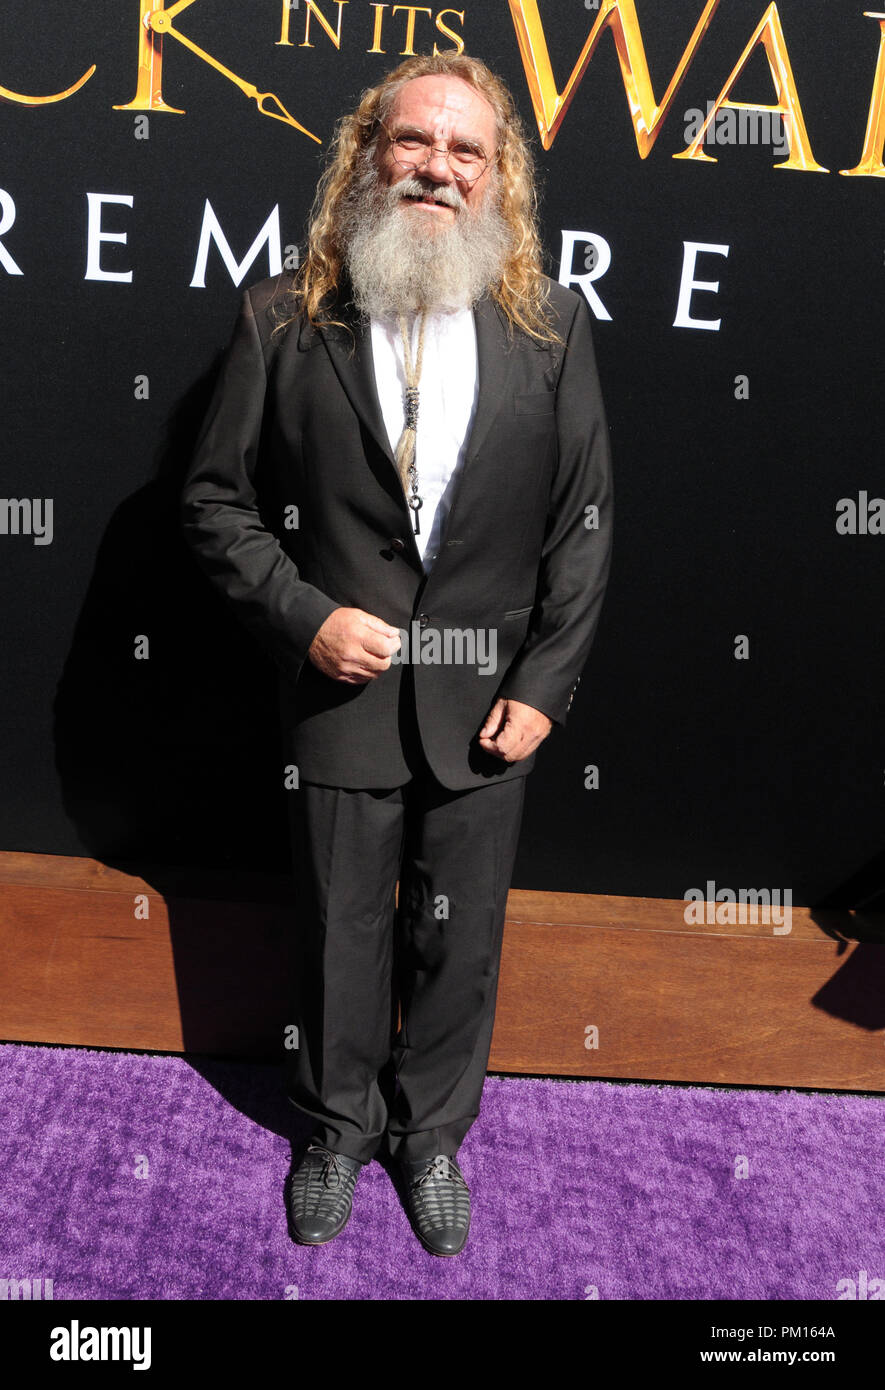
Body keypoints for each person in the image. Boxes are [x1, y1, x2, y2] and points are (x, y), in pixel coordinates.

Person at [180, 50, 613, 1257]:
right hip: (339, 694)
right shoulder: (281, 315)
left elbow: (585, 525)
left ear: (498, 176)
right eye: (414, 142)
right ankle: (333, 1127)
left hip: (490, 709)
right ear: (368, 155)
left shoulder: (553, 324)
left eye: (466, 149)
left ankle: (431, 1139)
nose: (438, 167)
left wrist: (543, 688)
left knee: (459, 938)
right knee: (340, 927)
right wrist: (303, 612)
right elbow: (214, 504)